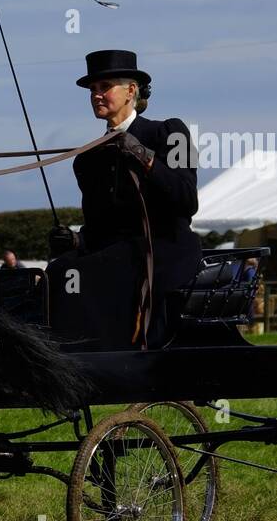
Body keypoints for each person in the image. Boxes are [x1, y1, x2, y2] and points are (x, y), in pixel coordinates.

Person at [46, 50, 199, 349]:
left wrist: (144, 156)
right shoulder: (87, 159)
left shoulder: (170, 133)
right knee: (59, 271)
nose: (97, 95)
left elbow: (187, 199)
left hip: (165, 250)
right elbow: (99, 227)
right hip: (116, 253)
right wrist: (75, 241)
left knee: (76, 273)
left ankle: (95, 358)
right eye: (93, 90)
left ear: (131, 90)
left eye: (105, 87)